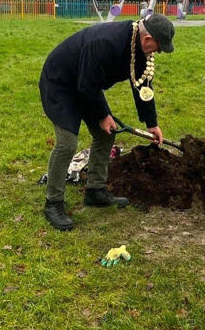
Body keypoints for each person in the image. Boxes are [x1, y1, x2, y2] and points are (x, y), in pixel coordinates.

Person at [39, 12, 175, 231]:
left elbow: (142, 86)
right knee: (67, 143)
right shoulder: (106, 42)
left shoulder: (139, 49)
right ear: (148, 39)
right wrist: (103, 115)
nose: (158, 52)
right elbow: (85, 85)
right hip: (61, 83)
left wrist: (152, 123)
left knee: (105, 135)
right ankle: (53, 203)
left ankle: (95, 191)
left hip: (86, 83)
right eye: (158, 47)